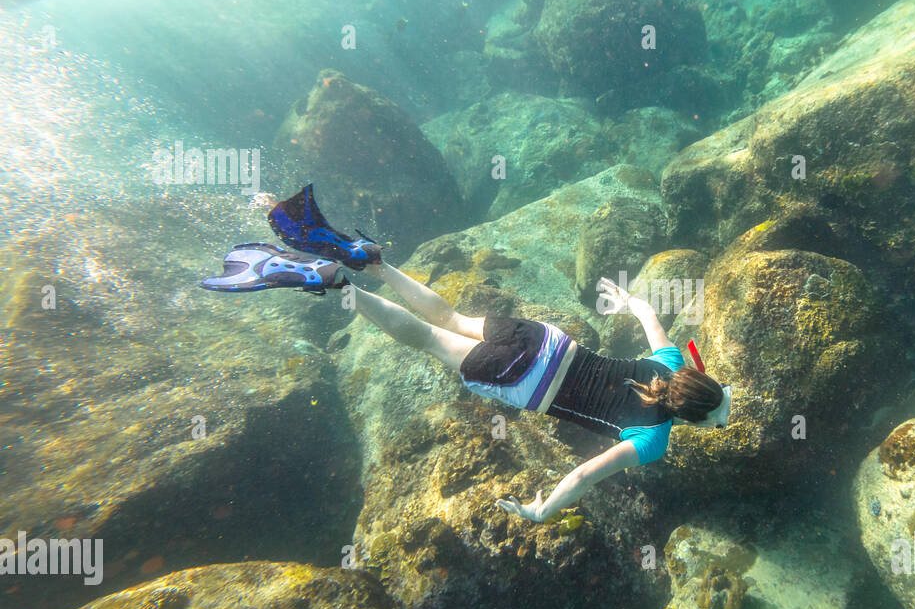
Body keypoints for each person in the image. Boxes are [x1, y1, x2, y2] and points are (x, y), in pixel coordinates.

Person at [201, 185, 731, 523]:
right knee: (430, 339)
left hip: (543, 340)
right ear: (696, 419)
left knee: (451, 318)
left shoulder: (675, 366)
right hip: (528, 380)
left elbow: (649, 319)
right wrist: (542, 510)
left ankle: (373, 263)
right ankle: (340, 284)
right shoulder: (654, 441)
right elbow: (584, 476)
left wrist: (627, 298)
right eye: (720, 418)